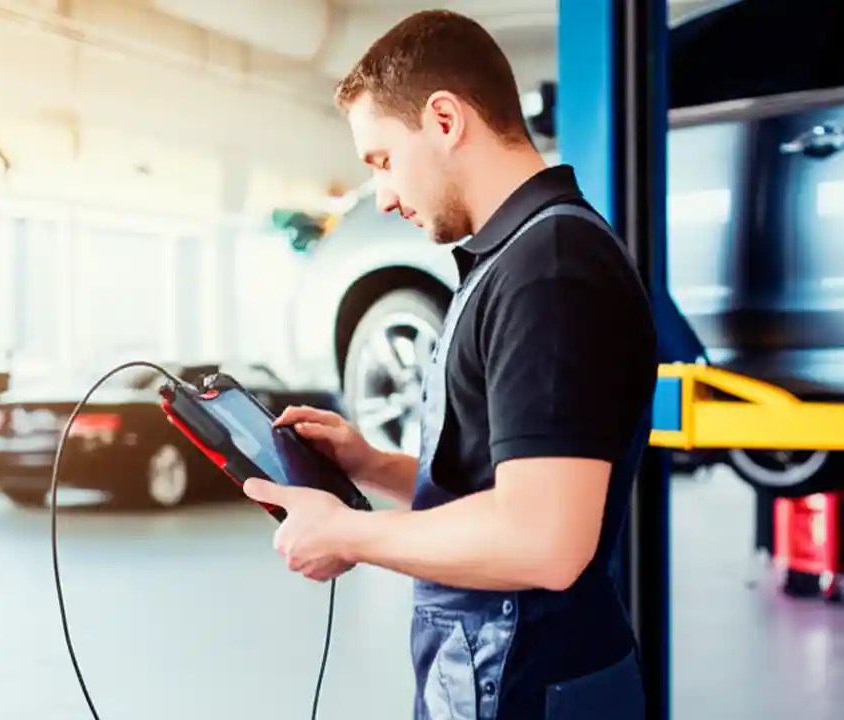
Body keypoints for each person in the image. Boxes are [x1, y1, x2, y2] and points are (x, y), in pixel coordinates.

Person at [240, 9, 659, 720]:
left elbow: (544, 539)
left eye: (382, 160)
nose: (384, 196)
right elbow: (501, 488)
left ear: (443, 119)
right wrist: (374, 465)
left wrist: (347, 533)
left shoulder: (549, 270)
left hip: (525, 684)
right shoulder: (515, 259)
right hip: (513, 673)